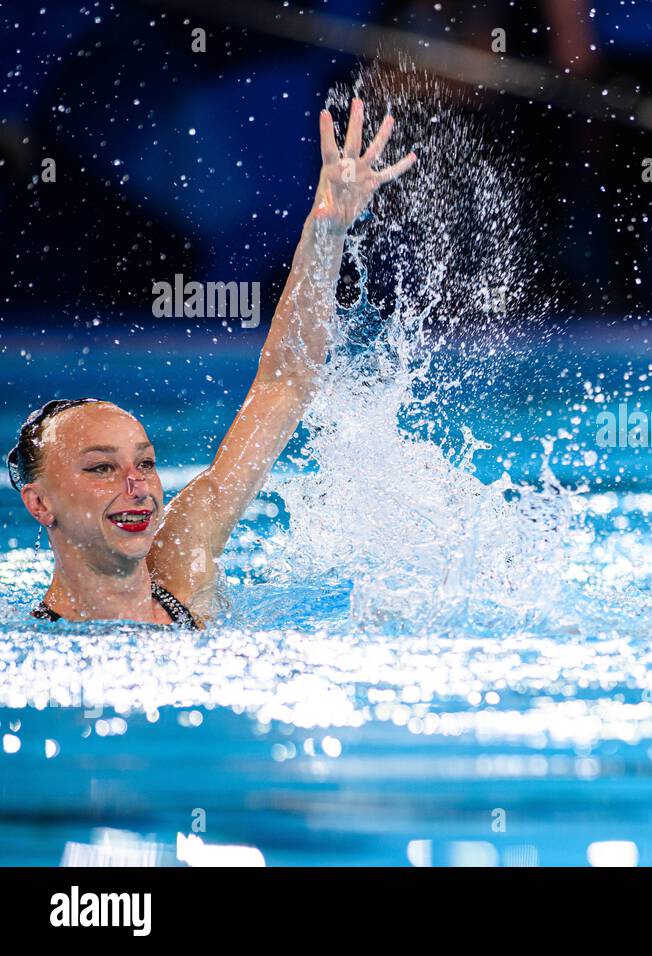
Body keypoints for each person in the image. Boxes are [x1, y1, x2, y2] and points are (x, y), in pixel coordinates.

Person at [6, 99, 415, 627]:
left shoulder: (182, 560)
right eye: (102, 468)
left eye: (145, 463)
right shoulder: (30, 654)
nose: (138, 487)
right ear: (39, 505)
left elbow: (284, 384)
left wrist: (327, 230)